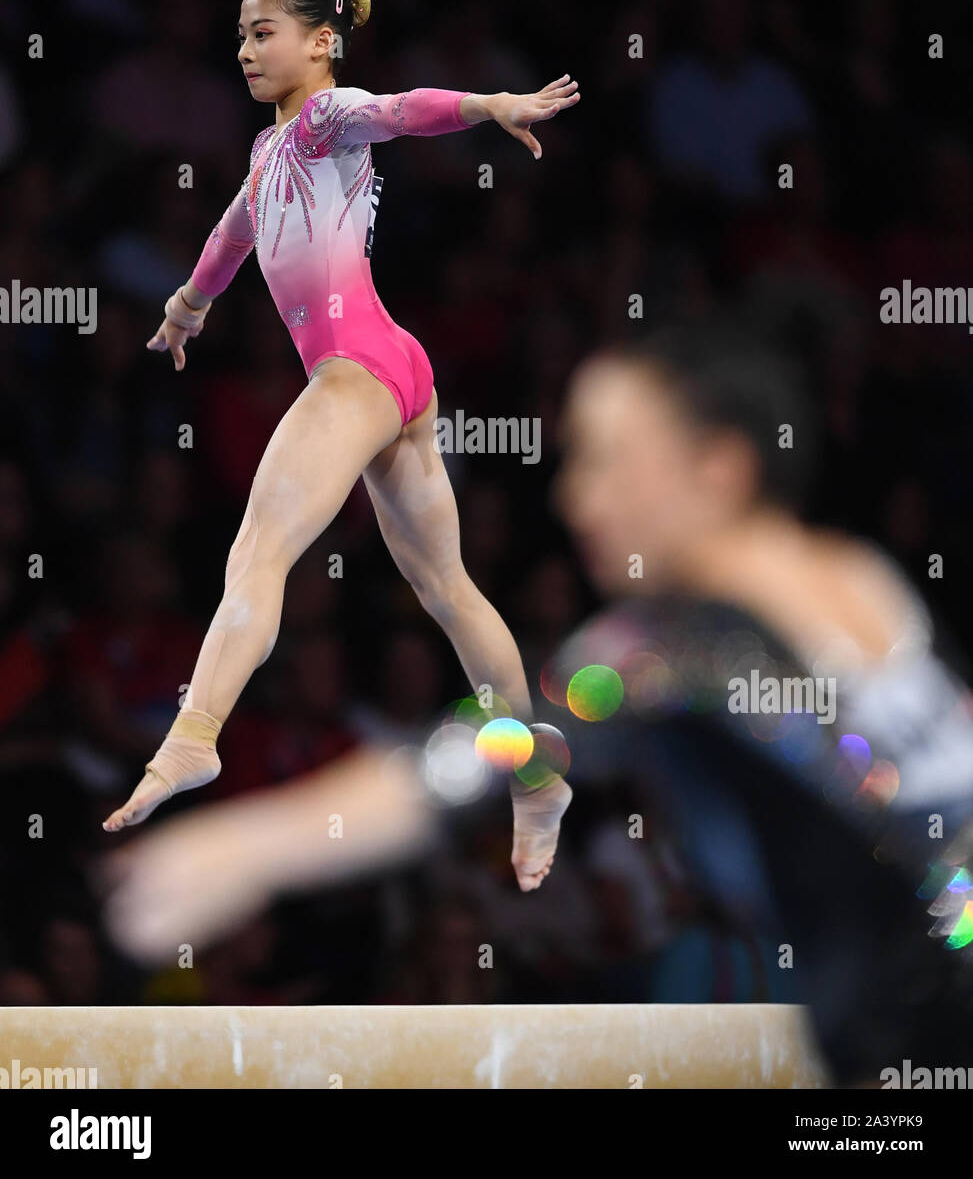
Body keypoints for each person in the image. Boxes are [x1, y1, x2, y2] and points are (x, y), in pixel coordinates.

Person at [102, 315, 973, 1084]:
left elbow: (483, 751)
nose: (573, 498)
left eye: (605, 460)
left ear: (720, 467)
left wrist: (250, 848)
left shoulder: (677, 644)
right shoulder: (870, 581)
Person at [101, 0, 580, 908]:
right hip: (396, 369)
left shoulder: (324, 117)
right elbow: (237, 229)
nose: (244, 48)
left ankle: (195, 736)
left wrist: (488, 106)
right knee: (445, 587)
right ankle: (536, 779)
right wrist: (191, 305)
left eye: (263, 31)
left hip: (356, 373)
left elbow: (397, 110)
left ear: (320, 41)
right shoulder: (270, 147)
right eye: (239, 34)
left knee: (257, 552)